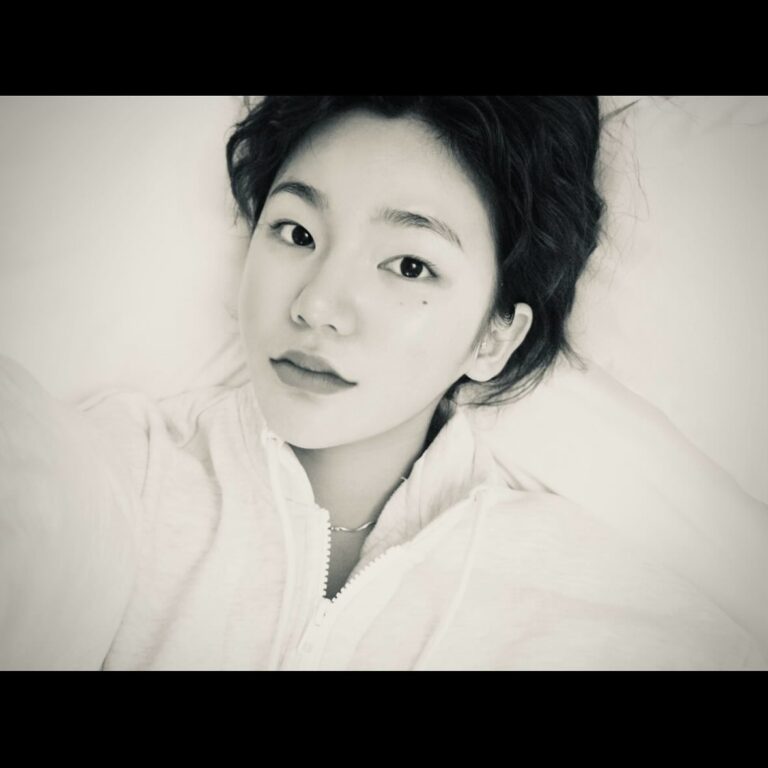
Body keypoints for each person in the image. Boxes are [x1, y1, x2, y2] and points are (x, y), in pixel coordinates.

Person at [1, 96, 763, 670]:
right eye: (297, 232)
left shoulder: (593, 606)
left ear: (495, 336)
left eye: (409, 265)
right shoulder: (119, 471)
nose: (316, 305)